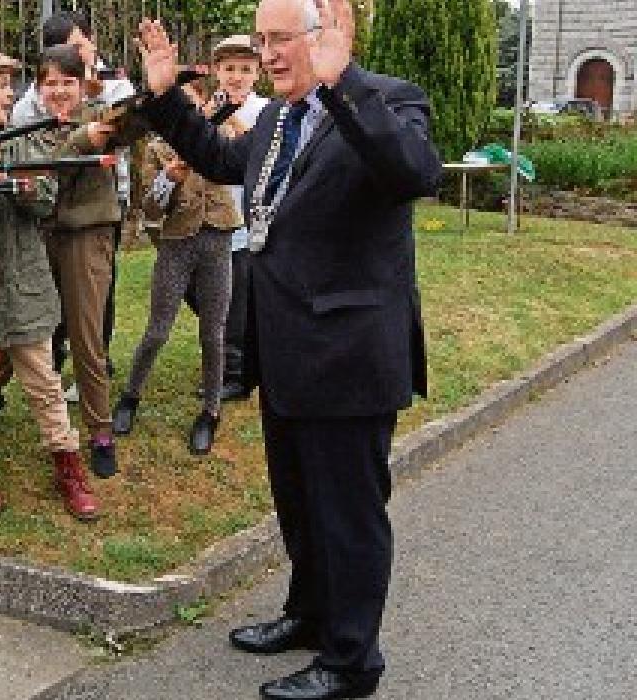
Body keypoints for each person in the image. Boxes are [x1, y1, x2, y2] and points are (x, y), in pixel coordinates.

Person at [137, 0, 442, 697]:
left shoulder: (389, 99)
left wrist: (344, 86)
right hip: (286, 351)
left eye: (281, 40)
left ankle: (351, 660)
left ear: (326, 37)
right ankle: (309, 617)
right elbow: (217, 159)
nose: (268, 53)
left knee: (348, 514)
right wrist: (164, 96)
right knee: (299, 503)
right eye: (262, 40)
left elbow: (414, 173)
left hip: (350, 357)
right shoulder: (277, 118)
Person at [0, 49, 100, 524]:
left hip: (24, 282)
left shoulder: (23, 139)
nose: (11, 94)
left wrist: (15, 183)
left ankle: (67, 466)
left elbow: (47, 201)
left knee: (45, 385)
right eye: (1, 86)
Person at [112, 70, 240, 456]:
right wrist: (169, 179)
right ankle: (130, 397)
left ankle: (211, 411)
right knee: (157, 329)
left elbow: (249, 156)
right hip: (176, 243)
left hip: (218, 237)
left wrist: (230, 114)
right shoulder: (156, 147)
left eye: (188, 102)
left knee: (213, 332)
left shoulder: (221, 135)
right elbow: (150, 206)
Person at [11, 9, 137, 398]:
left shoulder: (113, 90)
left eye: (77, 47)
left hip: (95, 217)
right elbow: (40, 170)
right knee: (39, 315)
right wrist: (81, 139)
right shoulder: (28, 108)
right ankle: (22, 382)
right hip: (45, 224)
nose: (61, 86)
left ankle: (93, 382)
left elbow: (131, 126)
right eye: (61, 51)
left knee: (93, 309)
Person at [183, 35, 272, 402]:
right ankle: (232, 353)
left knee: (236, 304)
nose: (237, 76)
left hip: (246, 225)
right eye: (230, 68)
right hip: (204, 222)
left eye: (246, 70)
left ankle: (234, 372)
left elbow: (261, 153)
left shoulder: (267, 110)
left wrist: (232, 118)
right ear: (217, 71)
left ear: (257, 74)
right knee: (197, 291)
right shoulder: (203, 109)